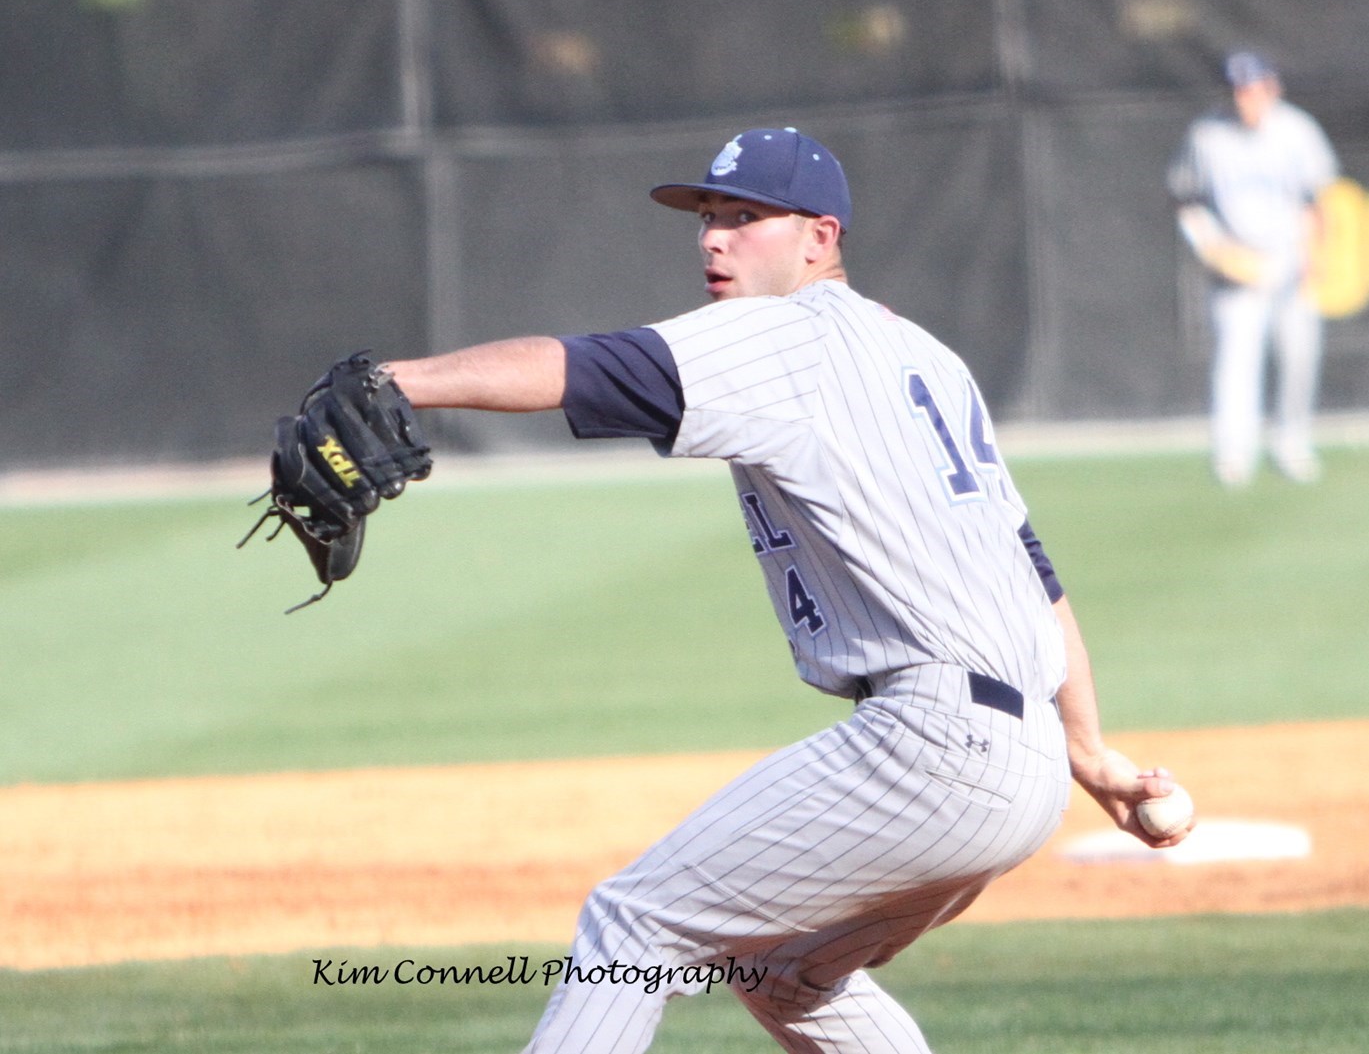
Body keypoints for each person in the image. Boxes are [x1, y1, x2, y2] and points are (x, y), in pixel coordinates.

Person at [382, 127, 1193, 1053]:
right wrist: (1088, 751)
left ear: (820, 236)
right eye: (708, 218)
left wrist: (397, 380)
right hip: (1025, 768)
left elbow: (588, 368)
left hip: (933, 741)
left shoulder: (784, 334)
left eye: (743, 216)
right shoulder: (928, 356)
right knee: (786, 972)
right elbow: (1027, 560)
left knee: (633, 925)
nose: (712, 238)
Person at [1167, 51, 1340, 486]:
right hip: (1236, 262)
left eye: (1254, 90)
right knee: (1235, 360)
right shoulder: (1207, 135)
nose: (1246, 99)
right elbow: (1185, 200)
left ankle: (1291, 443)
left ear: (1272, 88)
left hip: (1289, 258)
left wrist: (1317, 255)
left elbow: (1320, 199)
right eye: (1239, 91)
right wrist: (1214, 250)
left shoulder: (1296, 130)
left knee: (1299, 356)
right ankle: (1233, 455)